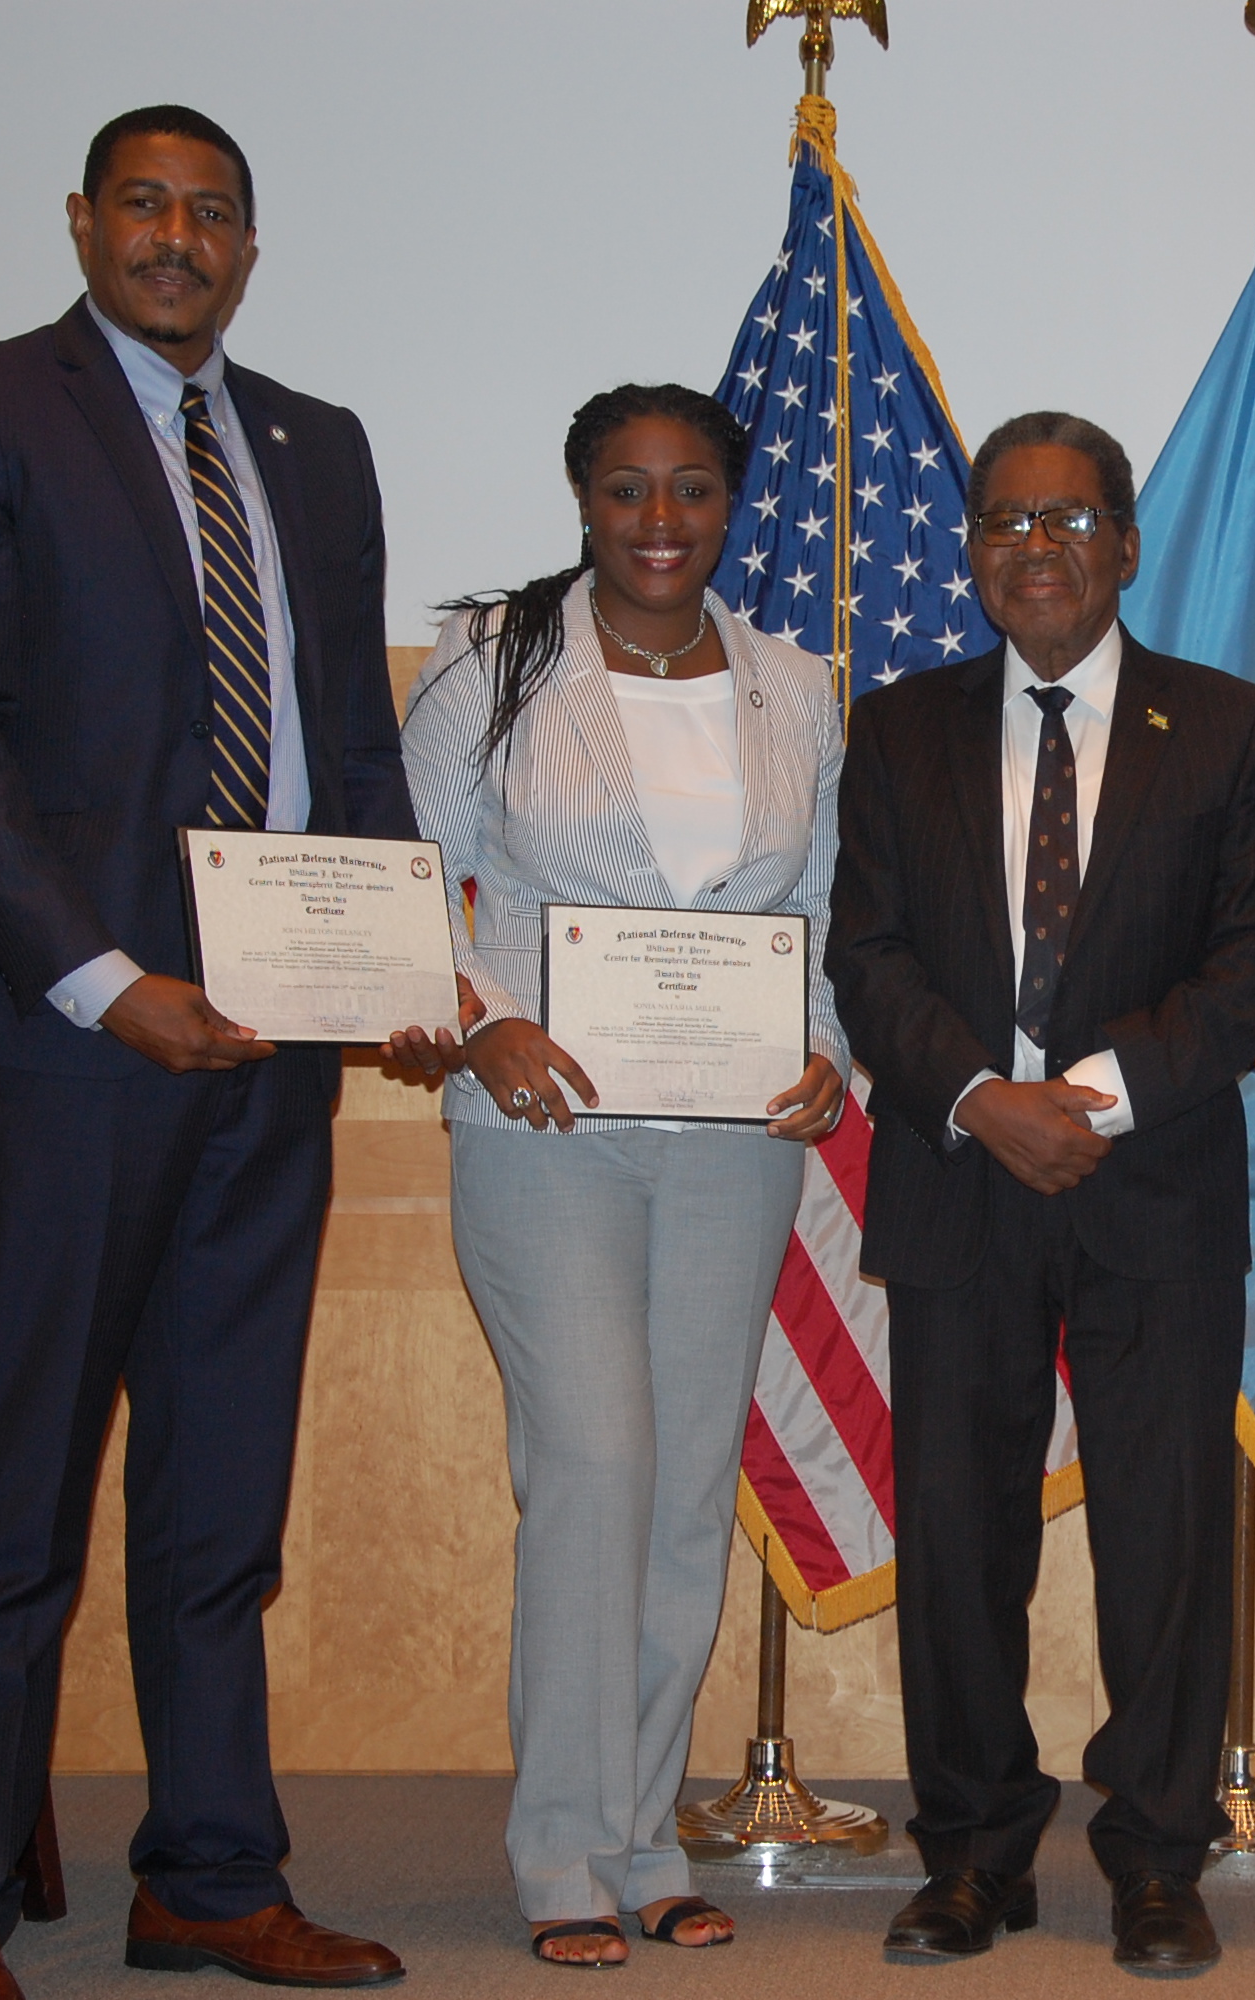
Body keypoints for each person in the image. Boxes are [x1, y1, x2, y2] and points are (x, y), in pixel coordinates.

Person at [0, 107, 409, 1998]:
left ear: (252, 246)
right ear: (85, 222)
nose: (180, 237)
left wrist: (393, 961)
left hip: (279, 1037)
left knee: (221, 1486)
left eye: (215, 212)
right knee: (19, 1485)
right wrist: (104, 980)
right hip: (71, 1043)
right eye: (147, 205)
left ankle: (209, 1876)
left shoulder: (317, 444)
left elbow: (349, 736)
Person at [825, 411, 1255, 1975]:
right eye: (1003, 521)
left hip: (1149, 1178)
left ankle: (1158, 1859)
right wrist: (982, 1099)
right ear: (970, 550)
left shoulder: (1225, 725)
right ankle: (973, 1853)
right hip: (962, 1174)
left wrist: (1091, 1095)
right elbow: (866, 953)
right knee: (959, 1540)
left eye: (1069, 519)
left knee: (1164, 1540)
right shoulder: (897, 729)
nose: (1033, 546)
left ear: (1128, 545)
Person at [388, 383, 847, 1968]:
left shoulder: (797, 685)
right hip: (547, 1129)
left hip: (733, 1140)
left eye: (693, 488)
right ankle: (561, 1854)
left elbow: (819, 914)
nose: (662, 520)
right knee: (592, 1467)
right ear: (584, 500)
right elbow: (413, 882)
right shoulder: (492, 665)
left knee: (686, 1487)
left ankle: (648, 1837)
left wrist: (824, 1052)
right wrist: (479, 1022)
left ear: (732, 503)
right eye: (629, 489)